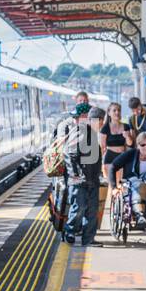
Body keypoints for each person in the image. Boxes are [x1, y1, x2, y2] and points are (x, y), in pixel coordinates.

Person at [59, 104, 102, 245]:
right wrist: (75, 174)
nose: (102, 124)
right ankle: (69, 231)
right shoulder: (79, 131)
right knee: (79, 207)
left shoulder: (92, 133)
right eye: (99, 121)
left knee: (92, 210)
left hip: (92, 179)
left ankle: (88, 238)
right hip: (79, 180)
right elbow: (69, 154)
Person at [102, 101, 129, 199]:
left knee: (122, 184)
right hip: (110, 157)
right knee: (112, 186)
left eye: (118, 110)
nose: (117, 112)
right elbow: (103, 147)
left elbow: (130, 144)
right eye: (114, 110)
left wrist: (128, 136)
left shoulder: (126, 126)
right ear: (109, 113)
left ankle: (122, 210)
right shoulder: (105, 128)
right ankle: (111, 211)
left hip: (122, 157)